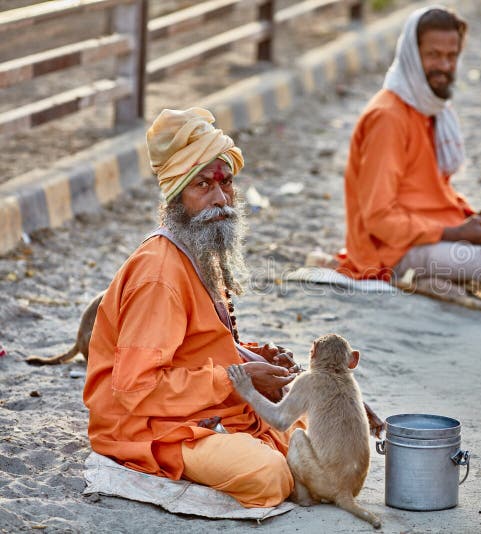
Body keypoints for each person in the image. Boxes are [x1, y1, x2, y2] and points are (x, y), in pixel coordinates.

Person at [83, 107, 383, 509]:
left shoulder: (200, 252)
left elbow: (199, 342)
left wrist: (255, 358)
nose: (220, 199)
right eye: (203, 185)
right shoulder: (158, 274)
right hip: (151, 428)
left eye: (226, 185)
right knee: (271, 474)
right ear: (176, 197)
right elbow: (136, 389)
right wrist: (235, 380)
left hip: (207, 407)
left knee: (326, 429)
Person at [337, 6, 481, 295]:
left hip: (439, 233)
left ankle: (466, 274)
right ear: (412, 55)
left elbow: (432, 192)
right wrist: (453, 233)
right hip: (392, 252)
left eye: (451, 56)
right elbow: (379, 219)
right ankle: (454, 276)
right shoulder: (389, 118)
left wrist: (475, 222)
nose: (444, 66)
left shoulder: (430, 107)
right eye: (433, 55)